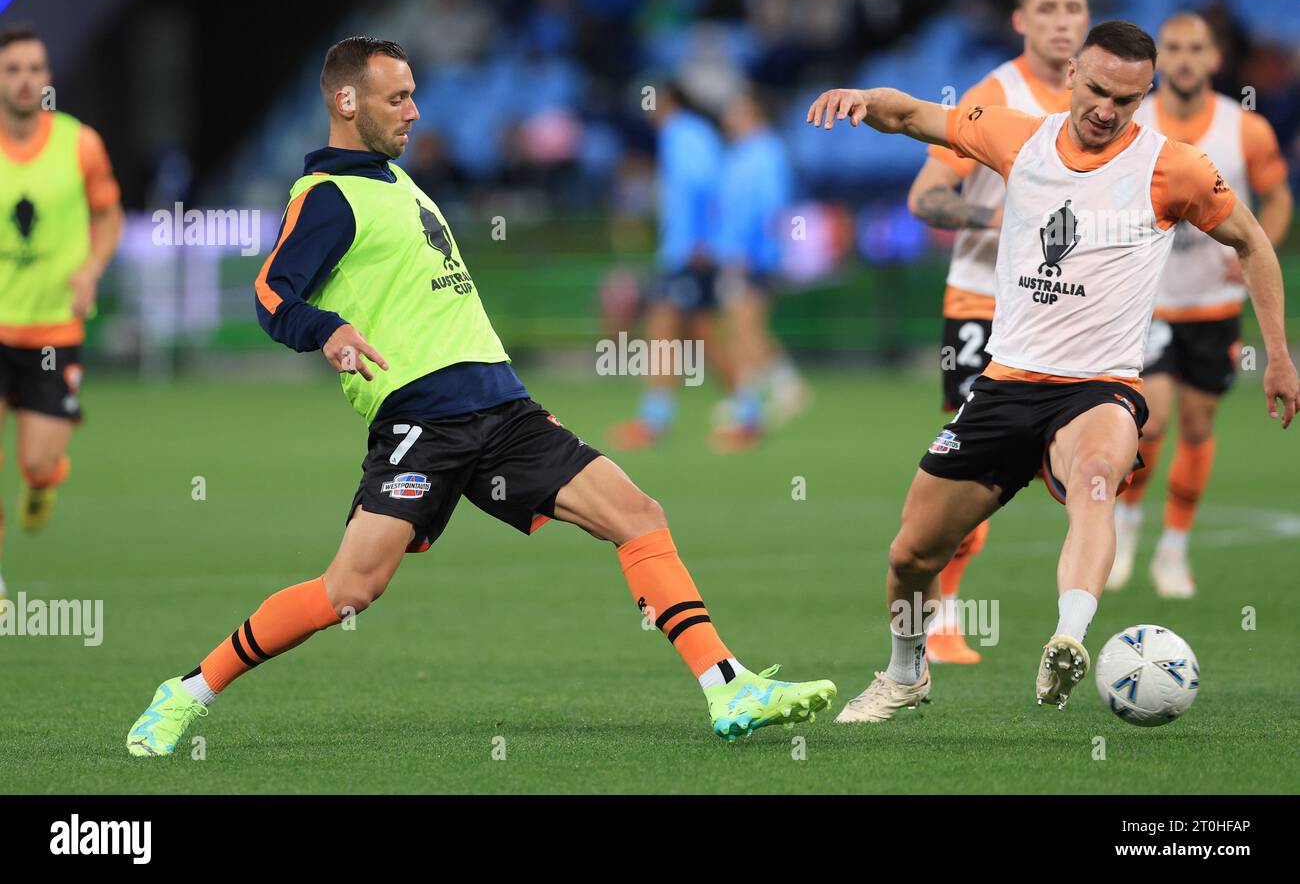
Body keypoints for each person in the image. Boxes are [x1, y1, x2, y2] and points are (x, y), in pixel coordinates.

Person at [125, 38, 834, 756]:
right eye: (396, 97)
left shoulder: (398, 184)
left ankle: (726, 683)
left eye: (413, 94)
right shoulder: (328, 197)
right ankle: (185, 693)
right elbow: (271, 292)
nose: (415, 111)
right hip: (420, 422)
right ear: (346, 102)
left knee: (637, 513)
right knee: (349, 590)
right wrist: (329, 330)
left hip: (502, 405)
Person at [805, 20, 1297, 722]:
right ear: (1071, 75)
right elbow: (917, 116)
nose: (1106, 109)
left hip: (1100, 390)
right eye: (1096, 90)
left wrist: (1277, 354)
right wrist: (863, 97)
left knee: (1097, 481)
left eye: (1126, 100)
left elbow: (1252, 239)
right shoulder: (1018, 138)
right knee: (913, 555)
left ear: (1145, 96)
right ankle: (905, 673)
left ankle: (1069, 635)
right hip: (1006, 385)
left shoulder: (1173, 168)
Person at [906, 0, 1088, 663]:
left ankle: (1084, 600)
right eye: (1046, 8)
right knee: (971, 460)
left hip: (1067, 310)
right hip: (983, 304)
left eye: (1074, 6)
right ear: (1021, 20)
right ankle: (943, 612)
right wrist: (997, 213)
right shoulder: (995, 95)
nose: (1063, 20)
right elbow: (926, 196)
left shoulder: (1101, 101)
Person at [1110, 12, 1293, 597]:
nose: (1186, 59)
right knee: (1152, 418)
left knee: (1196, 424)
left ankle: (1173, 549)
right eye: (1175, 49)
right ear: (1162, 60)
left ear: (1215, 60)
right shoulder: (1132, 124)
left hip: (1214, 305)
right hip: (1150, 303)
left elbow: (1279, 198)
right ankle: (1127, 525)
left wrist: (1254, 241)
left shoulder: (1246, 130)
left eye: (1197, 49)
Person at [0, 25, 122, 603]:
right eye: (13, 69)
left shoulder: (80, 143)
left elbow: (108, 213)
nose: (26, 80)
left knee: (38, 461)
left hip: (53, 331)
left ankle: (42, 483)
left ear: (47, 78)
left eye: (35, 69)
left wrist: (92, 269)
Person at [610, 83, 734, 449]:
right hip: (686, 250)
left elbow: (705, 186)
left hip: (689, 252)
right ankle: (746, 411)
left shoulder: (683, 134)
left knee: (663, 329)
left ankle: (654, 420)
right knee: (700, 336)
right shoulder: (686, 134)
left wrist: (702, 240)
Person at [712, 92, 808, 452]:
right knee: (742, 329)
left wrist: (749, 253)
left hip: (751, 257)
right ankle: (782, 390)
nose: (729, 118)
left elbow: (769, 208)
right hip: (735, 254)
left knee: (743, 329)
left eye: (735, 110)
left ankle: (750, 412)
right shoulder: (740, 154)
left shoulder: (766, 153)